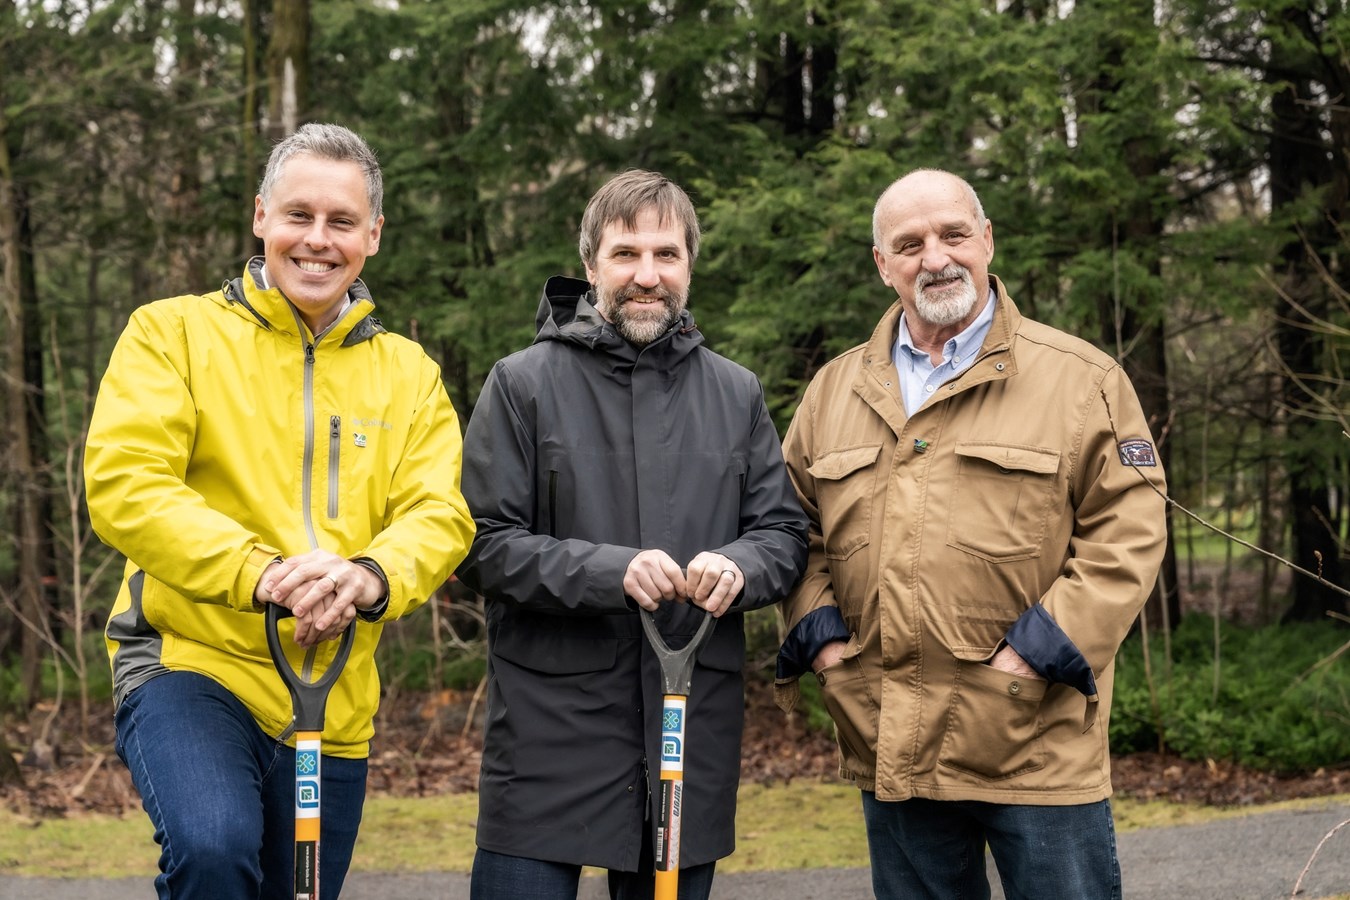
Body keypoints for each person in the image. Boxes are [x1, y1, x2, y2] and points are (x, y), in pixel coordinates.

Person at [84, 122, 476, 900]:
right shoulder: (171, 334)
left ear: (373, 234)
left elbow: (440, 514)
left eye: (341, 222)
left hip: (330, 693)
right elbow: (128, 486)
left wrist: (369, 576)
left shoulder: (409, 373)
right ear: (261, 215)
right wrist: (262, 574)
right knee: (214, 850)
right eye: (299, 215)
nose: (317, 241)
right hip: (188, 660)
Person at [774, 168, 1168, 900]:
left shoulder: (1082, 380)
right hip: (888, 734)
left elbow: (1129, 534)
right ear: (882, 264)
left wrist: (1031, 658)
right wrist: (826, 646)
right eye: (910, 243)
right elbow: (793, 530)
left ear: (986, 240)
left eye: (954, 234)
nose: (936, 257)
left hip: (1037, 741)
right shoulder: (833, 393)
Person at [456, 169, 809, 900]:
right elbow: (483, 544)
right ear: (591, 267)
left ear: (688, 265)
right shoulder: (521, 384)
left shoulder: (735, 393)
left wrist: (740, 565)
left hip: (686, 728)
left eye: (666, 255)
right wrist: (609, 571)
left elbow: (781, 532)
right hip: (547, 732)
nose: (646, 275)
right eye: (625, 254)